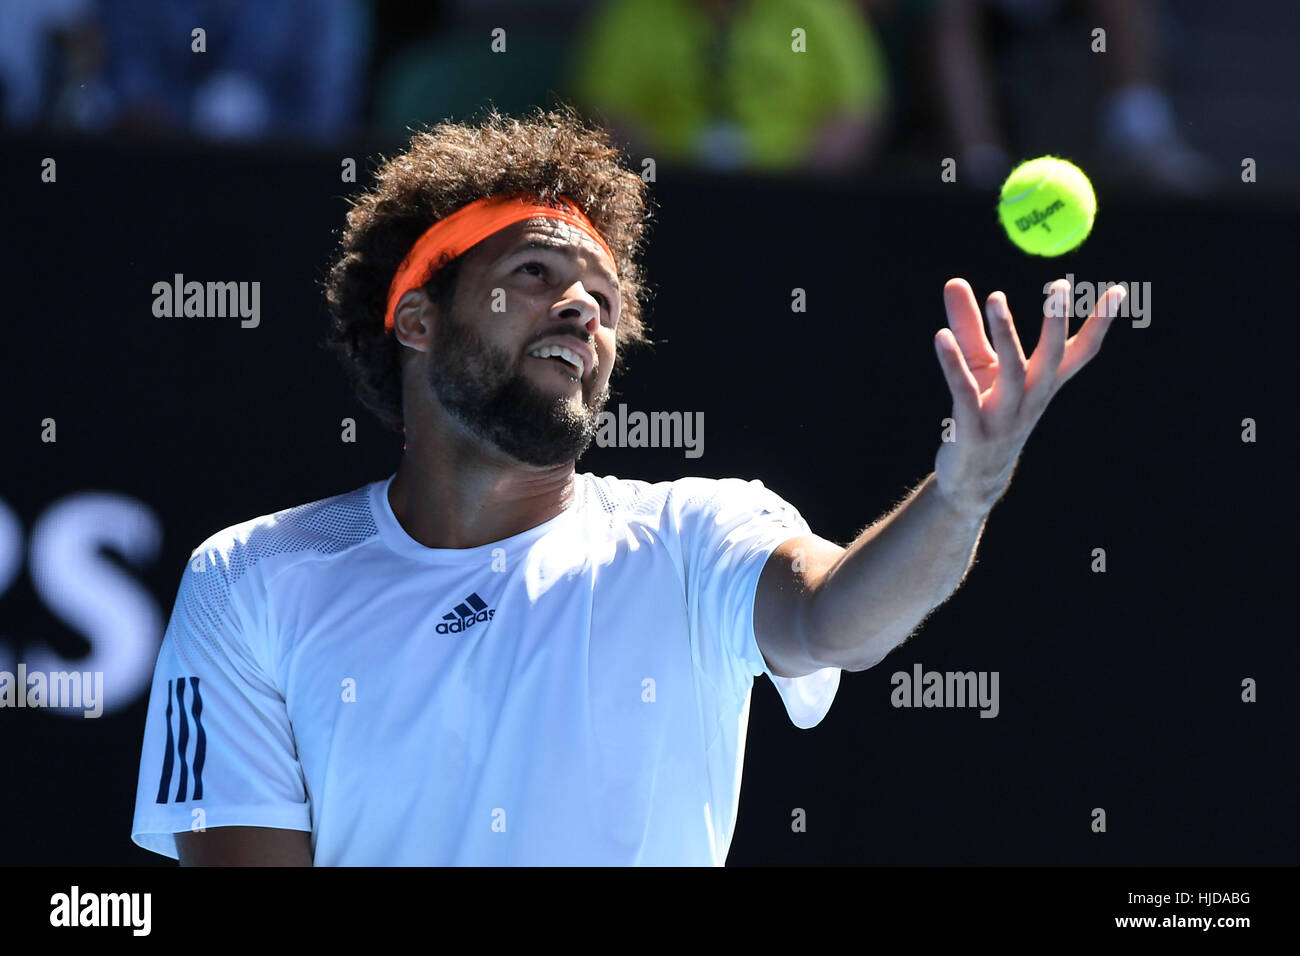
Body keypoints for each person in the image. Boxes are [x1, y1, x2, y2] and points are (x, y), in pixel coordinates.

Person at [130, 106, 1121, 865]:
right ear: (418, 320)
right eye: (533, 271)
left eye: (603, 299)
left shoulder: (695, 533)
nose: (579, 308)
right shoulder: (251, 575)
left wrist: (962, 493)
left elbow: (835, 621)